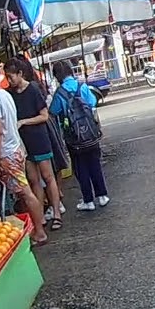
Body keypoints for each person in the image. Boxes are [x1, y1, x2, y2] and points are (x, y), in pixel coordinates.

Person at [0, 60, 49, 246]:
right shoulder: (5, 95)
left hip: (7, 153)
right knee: (22, 193)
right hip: (16, 149)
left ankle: (40, 231)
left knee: (26, 193)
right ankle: (34, 229)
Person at [3, 58, 64, 230]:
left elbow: (44, 115)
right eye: (7, 77)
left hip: (39, 139)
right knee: (32, 180)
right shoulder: (10, 94)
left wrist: (23, 122)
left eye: (11, 76)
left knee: (48, 176)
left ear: (20, 74)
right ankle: (41, 216)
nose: (9, 80)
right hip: (23, 143)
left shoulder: (34, 89)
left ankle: (56, 213)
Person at [49, 60, 109, 212]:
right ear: (70, 71)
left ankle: (88, 200)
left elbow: (53, 111)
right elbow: (92, 102)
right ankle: (102, 195)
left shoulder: (60, 93)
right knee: (95, 163)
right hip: (90, 132)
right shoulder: (82, 86)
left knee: (80, 167)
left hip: (73, 137)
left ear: (57, 76)